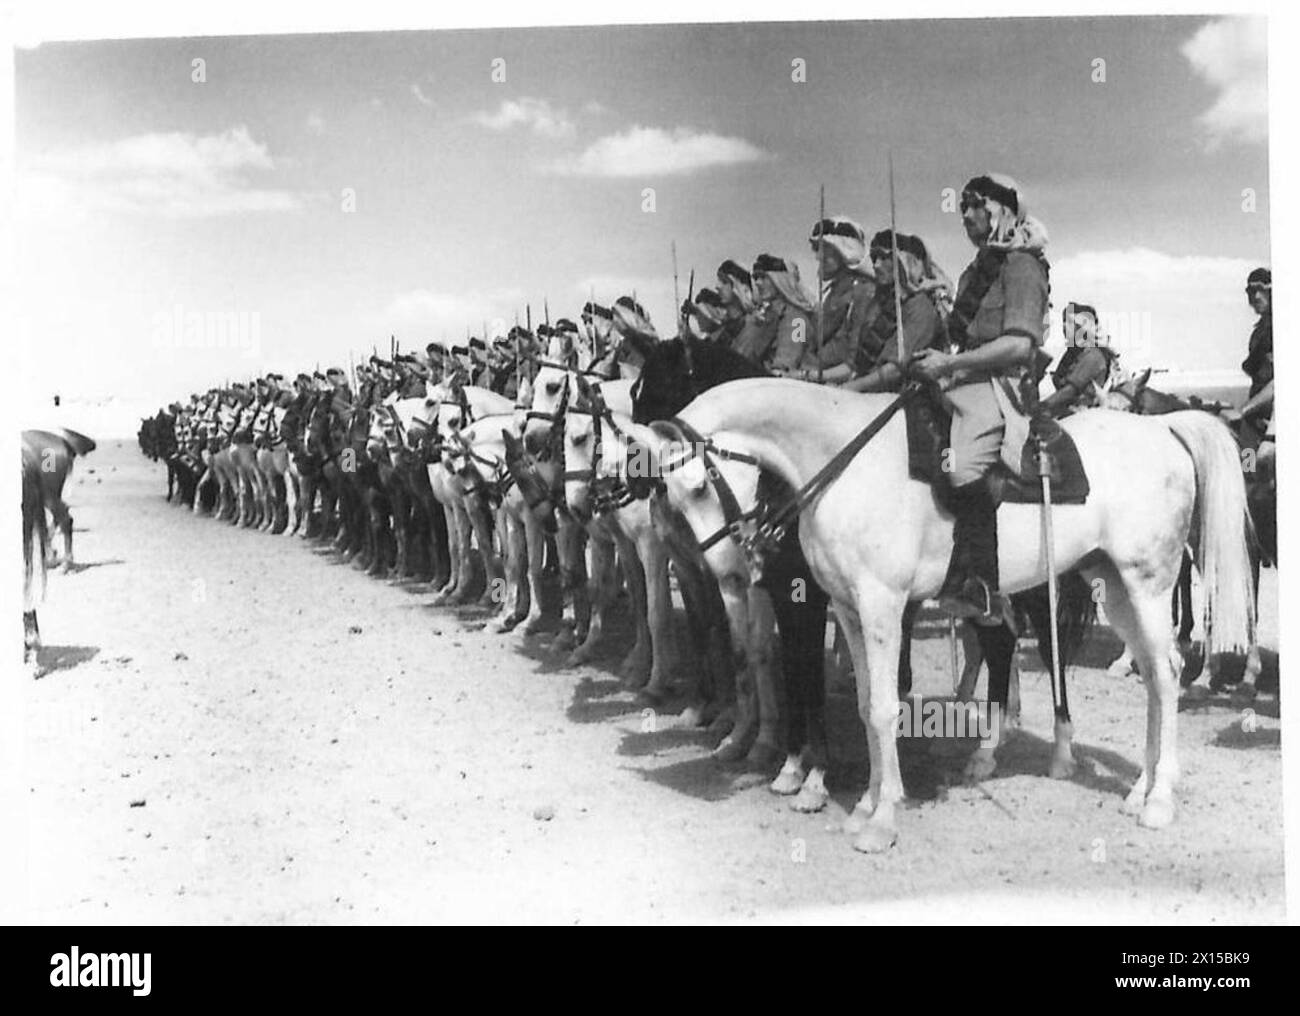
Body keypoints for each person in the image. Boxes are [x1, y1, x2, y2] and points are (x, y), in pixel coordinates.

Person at [909, 173, 1050, 623]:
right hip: (966, 382)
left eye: (974, 205)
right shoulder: (977, 269)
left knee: (962, 466)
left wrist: (950, 366)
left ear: (1003, 209)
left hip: (1000, 387)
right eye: (962, 207)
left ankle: (981, 583)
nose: (965, 214)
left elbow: (1019, 345)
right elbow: (963, 336)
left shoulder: (1023, 266)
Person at [818, 229, 947, 391]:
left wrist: (846, 389)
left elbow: (894, 371)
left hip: (909, 400)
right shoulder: (878, 304)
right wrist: (808, 377)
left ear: (903, 263)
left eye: (885, 257)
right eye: (874, 258)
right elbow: (854, 366)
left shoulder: (921, 307)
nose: (877, 265)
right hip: (868, 393)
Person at [1041, 302, 1124, 415]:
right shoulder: (1073, 354)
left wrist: (1042, 406)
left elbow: (1070, 391)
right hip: (1067, 411)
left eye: (1070, 323)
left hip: (1083, 416)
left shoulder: (1093, 356)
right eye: (1064, 322)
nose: (1064, 327)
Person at [1222, 268, 1273, 437]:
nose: (1257, 296)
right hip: (1258, 417)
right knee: (1243, 456)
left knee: (1261, 457)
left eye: (1263, 290)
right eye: (1252, 291)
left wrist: (1244, 410)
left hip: (1277, 420)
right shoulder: (1259, 333)